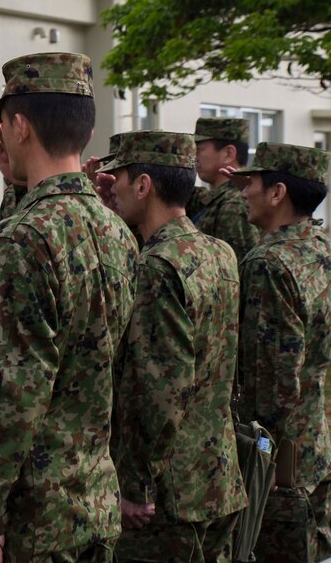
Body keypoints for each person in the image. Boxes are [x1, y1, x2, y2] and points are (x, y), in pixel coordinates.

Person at [0, 52, 139, 562]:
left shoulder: (26, 238)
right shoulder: (116, 230)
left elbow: (8, 397)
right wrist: (17, 185)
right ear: (86, 130)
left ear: (19, 127)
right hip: (92, 502)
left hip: (33, 521)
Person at [95, 131, 247, 561]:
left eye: (119, 178)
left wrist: (136, 484)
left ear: (143, 185)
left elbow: (159, 388)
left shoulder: (158, 266)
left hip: (168, 495)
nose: (112, 188)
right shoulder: (219, 252)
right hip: (217, 477)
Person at [231, 142, 331, 562]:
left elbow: (270, 380)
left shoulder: (268, 263)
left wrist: (261, 458)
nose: (243, 193)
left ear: (277, 193)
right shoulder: (320, 248)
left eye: (251, 183)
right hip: (314, 444)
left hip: (277, 463)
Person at [186, 117, 259, 262]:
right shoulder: (218, 198)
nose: (194, 157)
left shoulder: (234, 205)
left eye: (199, 150)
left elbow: (239, 267)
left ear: (228, 154)